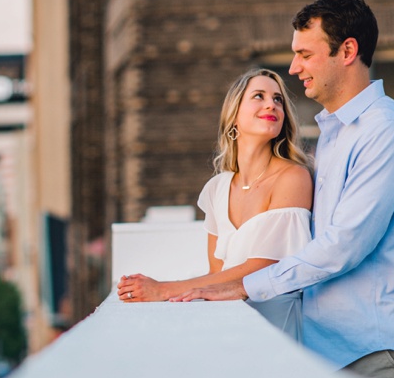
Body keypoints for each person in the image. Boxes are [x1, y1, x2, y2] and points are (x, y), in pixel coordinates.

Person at [169, 0, 394, 378]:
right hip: (330, 352)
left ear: (347, 51)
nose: (294, 69)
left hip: (377, 351)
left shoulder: (387, 129)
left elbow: (344, 245)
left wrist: (240, 286)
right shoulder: (333, 135)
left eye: (304, 54)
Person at [117, 68, 313, 340]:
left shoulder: (293, 177)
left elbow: (263, 267)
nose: (271, 104)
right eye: (259, 96)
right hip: (230, 327)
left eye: (278, 99)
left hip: (279, 330)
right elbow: (217, 273)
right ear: (233, 116)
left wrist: (165, 289)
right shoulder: (216, 190)